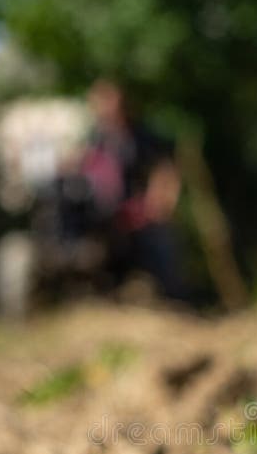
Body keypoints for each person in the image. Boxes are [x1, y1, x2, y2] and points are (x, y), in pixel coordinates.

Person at [79, 79, 187, 300]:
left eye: (109, 101)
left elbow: (165, 168)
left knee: (157, 252)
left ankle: (173, 297)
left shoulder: (139, 136)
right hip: (98, 212)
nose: (104, 108)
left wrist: (158, 201)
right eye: (99, 102)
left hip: (133, 214)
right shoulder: (95, 139)